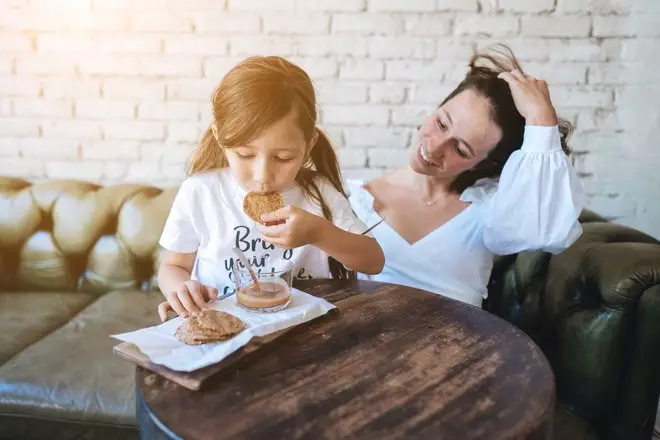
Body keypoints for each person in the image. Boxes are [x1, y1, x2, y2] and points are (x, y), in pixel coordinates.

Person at [347, 45, 584, 308]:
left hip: (458, 344)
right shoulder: (352, 198)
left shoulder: (488, 208)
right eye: (441, 123)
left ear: (483, 163)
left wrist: (541, 118)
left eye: (460, 149)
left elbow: (545, 232)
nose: (435, 148)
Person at [157, 56, 384, 322]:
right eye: (245, 155)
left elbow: (373, 261)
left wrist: (318, 232)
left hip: (304, 330)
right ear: (220, 138)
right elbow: (173, 266)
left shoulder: (318, 194)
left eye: (283, 158)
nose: (262, 176)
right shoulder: (200, 192)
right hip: (226, 329)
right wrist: (181, 289)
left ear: (309, 145)